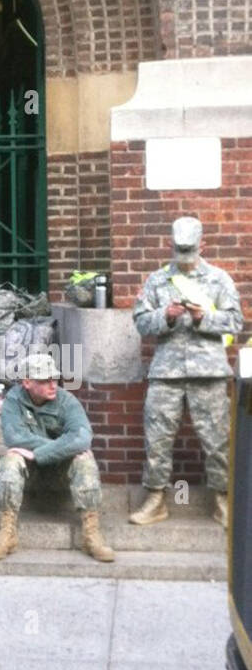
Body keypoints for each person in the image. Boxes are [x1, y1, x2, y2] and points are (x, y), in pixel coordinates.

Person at [130, 216, 243, 529]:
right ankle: (156, 499)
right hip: (166, 373)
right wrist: (164, 316)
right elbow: (140, 322)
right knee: (157, 439)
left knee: (217, 440)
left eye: (190, 250)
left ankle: (223, 500)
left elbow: (235, 323)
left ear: (202, 245)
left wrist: (203, 317)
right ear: (170, 245)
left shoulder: (219, 280)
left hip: (209, 372)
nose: (184, 257)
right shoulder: (157, 280)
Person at [0, 353, 115, 563]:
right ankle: (7, 532)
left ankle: (91, 533)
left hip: (61, 471)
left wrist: (38, 453)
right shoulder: (13, 400)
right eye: (45, 381)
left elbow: (82, 438)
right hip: (31, 473)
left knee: (84, 460)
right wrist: (64, 446)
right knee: (10, 460)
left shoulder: (67, 401)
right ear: (27, 382)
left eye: (54, 379)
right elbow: (14, 437)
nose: (53, 384)